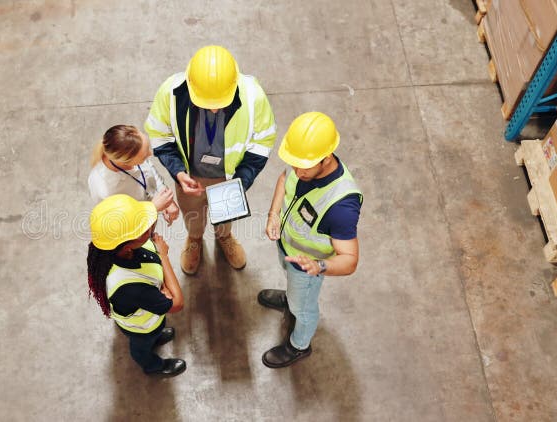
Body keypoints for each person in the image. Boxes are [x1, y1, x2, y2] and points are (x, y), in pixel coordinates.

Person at [145, 45, 276, 274]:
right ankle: (194, 239)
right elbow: (159, 136)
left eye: (220, 102)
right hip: (189, 176)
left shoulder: (253, 96)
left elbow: (263, 141)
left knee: (225, 217)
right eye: (207, 103)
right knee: (192, 214)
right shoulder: (171, 93)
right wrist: (178, 172)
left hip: (229, 176)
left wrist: (241, 181)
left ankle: (224, 237)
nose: (215, 109)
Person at [258, 112, 363, 368]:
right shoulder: (303, 162)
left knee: (304, 309)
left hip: (308, 267)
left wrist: (320, 267)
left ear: (326, 158)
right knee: (293, 288)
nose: (296, 170)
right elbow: (284, 179)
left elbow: (349, 260)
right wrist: (273, 215)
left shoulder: (341, 205)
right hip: (288, 246)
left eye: (302, 166)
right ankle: (290, 299)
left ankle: (299, 345)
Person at [87, 194, 186, 377]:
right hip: (142, 327)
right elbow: (177, 303)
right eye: (143, 228)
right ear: (127, 246)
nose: (150, 226)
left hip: (151, 312)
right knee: (142, 346)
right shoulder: (129, 287)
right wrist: (163, 256)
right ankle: (153, 366)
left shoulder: (118, 249)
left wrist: (164, 288)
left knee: (156, 331)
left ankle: (157, 336)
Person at [88, 124, 180, 225]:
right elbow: (120, 224)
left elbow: (150, 170)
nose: (150, 154)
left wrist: (163, 195)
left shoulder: (132, 145)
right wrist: (153, 208)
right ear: (126, 161)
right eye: (144, 156)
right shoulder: (104, 190)